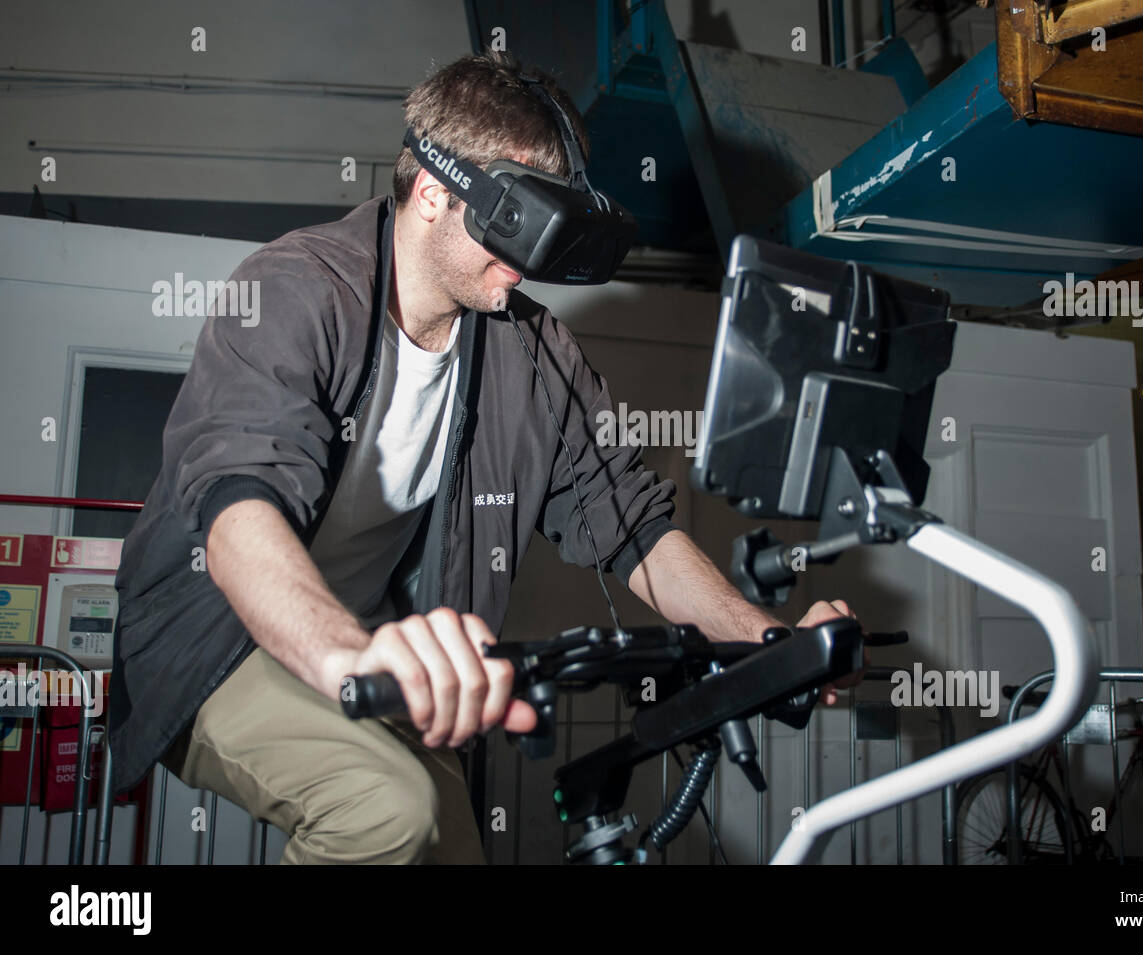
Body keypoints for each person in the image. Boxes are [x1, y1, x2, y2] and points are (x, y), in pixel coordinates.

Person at [107, 51, 857, 864]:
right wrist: (352, 660)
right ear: (431, 190)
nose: (531, 256)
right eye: (515, 219)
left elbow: (631, 524)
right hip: (223, 644)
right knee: (387, 810)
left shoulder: (531, 351)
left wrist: (766, 640)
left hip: (385, 650)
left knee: (449, 845)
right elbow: (236, 510)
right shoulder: (295, 290)